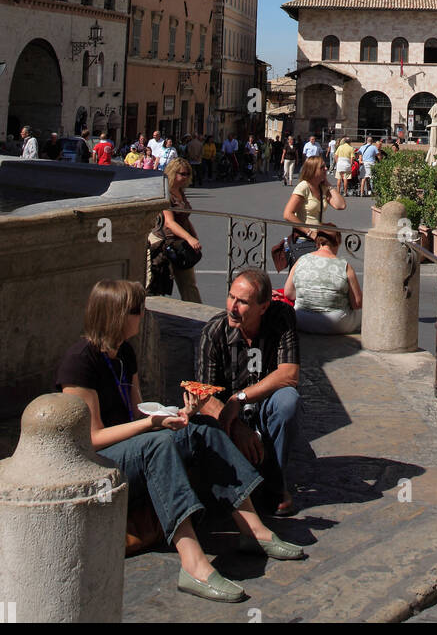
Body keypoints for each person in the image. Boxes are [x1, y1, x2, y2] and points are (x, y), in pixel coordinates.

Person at [56, 279, 303, 604]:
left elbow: (137, 414)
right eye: (137, 311)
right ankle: (192, 562)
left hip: (129, 447)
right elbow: (93, 439)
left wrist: (180, 415)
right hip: (97, 464)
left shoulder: (124, 354)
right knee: (157, 444)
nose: (142, 317)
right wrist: (152, 424)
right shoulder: (80, 361)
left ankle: (253, 528)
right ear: (116, 315)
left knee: (201, 427)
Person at [196, 269, 301, 517]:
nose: (233, 307)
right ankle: (242, 485)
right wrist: (236, 425)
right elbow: (203, 395)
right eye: (231, 297)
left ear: (263, 307)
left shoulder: (281, 317)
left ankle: (274, 482)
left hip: (262, 404)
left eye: (242, 302)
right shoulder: (214, 332)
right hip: (227, 416)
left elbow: (290, 374)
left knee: (288, 401)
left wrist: (240, 398)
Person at [283, 226, 362, 335]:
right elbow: (357, 303)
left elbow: (288, 293)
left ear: (318, 242)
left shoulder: (302, 260)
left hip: (301, 319)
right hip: (335, 323)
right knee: (362, 313)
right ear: (338, 242)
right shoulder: (344, 266)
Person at [145, 158, 203, 302]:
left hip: (179, 242)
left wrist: (193, 236)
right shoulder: (166, 193)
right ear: (172, 173)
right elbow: (170, 222)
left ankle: (197, 315)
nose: (186, 177)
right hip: (162, 242)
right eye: (182, 174)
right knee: (154, 283)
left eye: (188, 174)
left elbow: (185, 218)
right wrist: (189, 238)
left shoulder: (180, 192)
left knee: (189, 284)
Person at [283, 157, 346, 252]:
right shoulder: (303, 187)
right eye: (322, 167)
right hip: (304, 239)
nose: (326, 168)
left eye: (325, 166)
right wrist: (309, 232)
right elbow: (288, 214)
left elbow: (340, 205)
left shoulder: (322, 188)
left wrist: (328, 184)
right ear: (312, 170)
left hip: (318, 239)